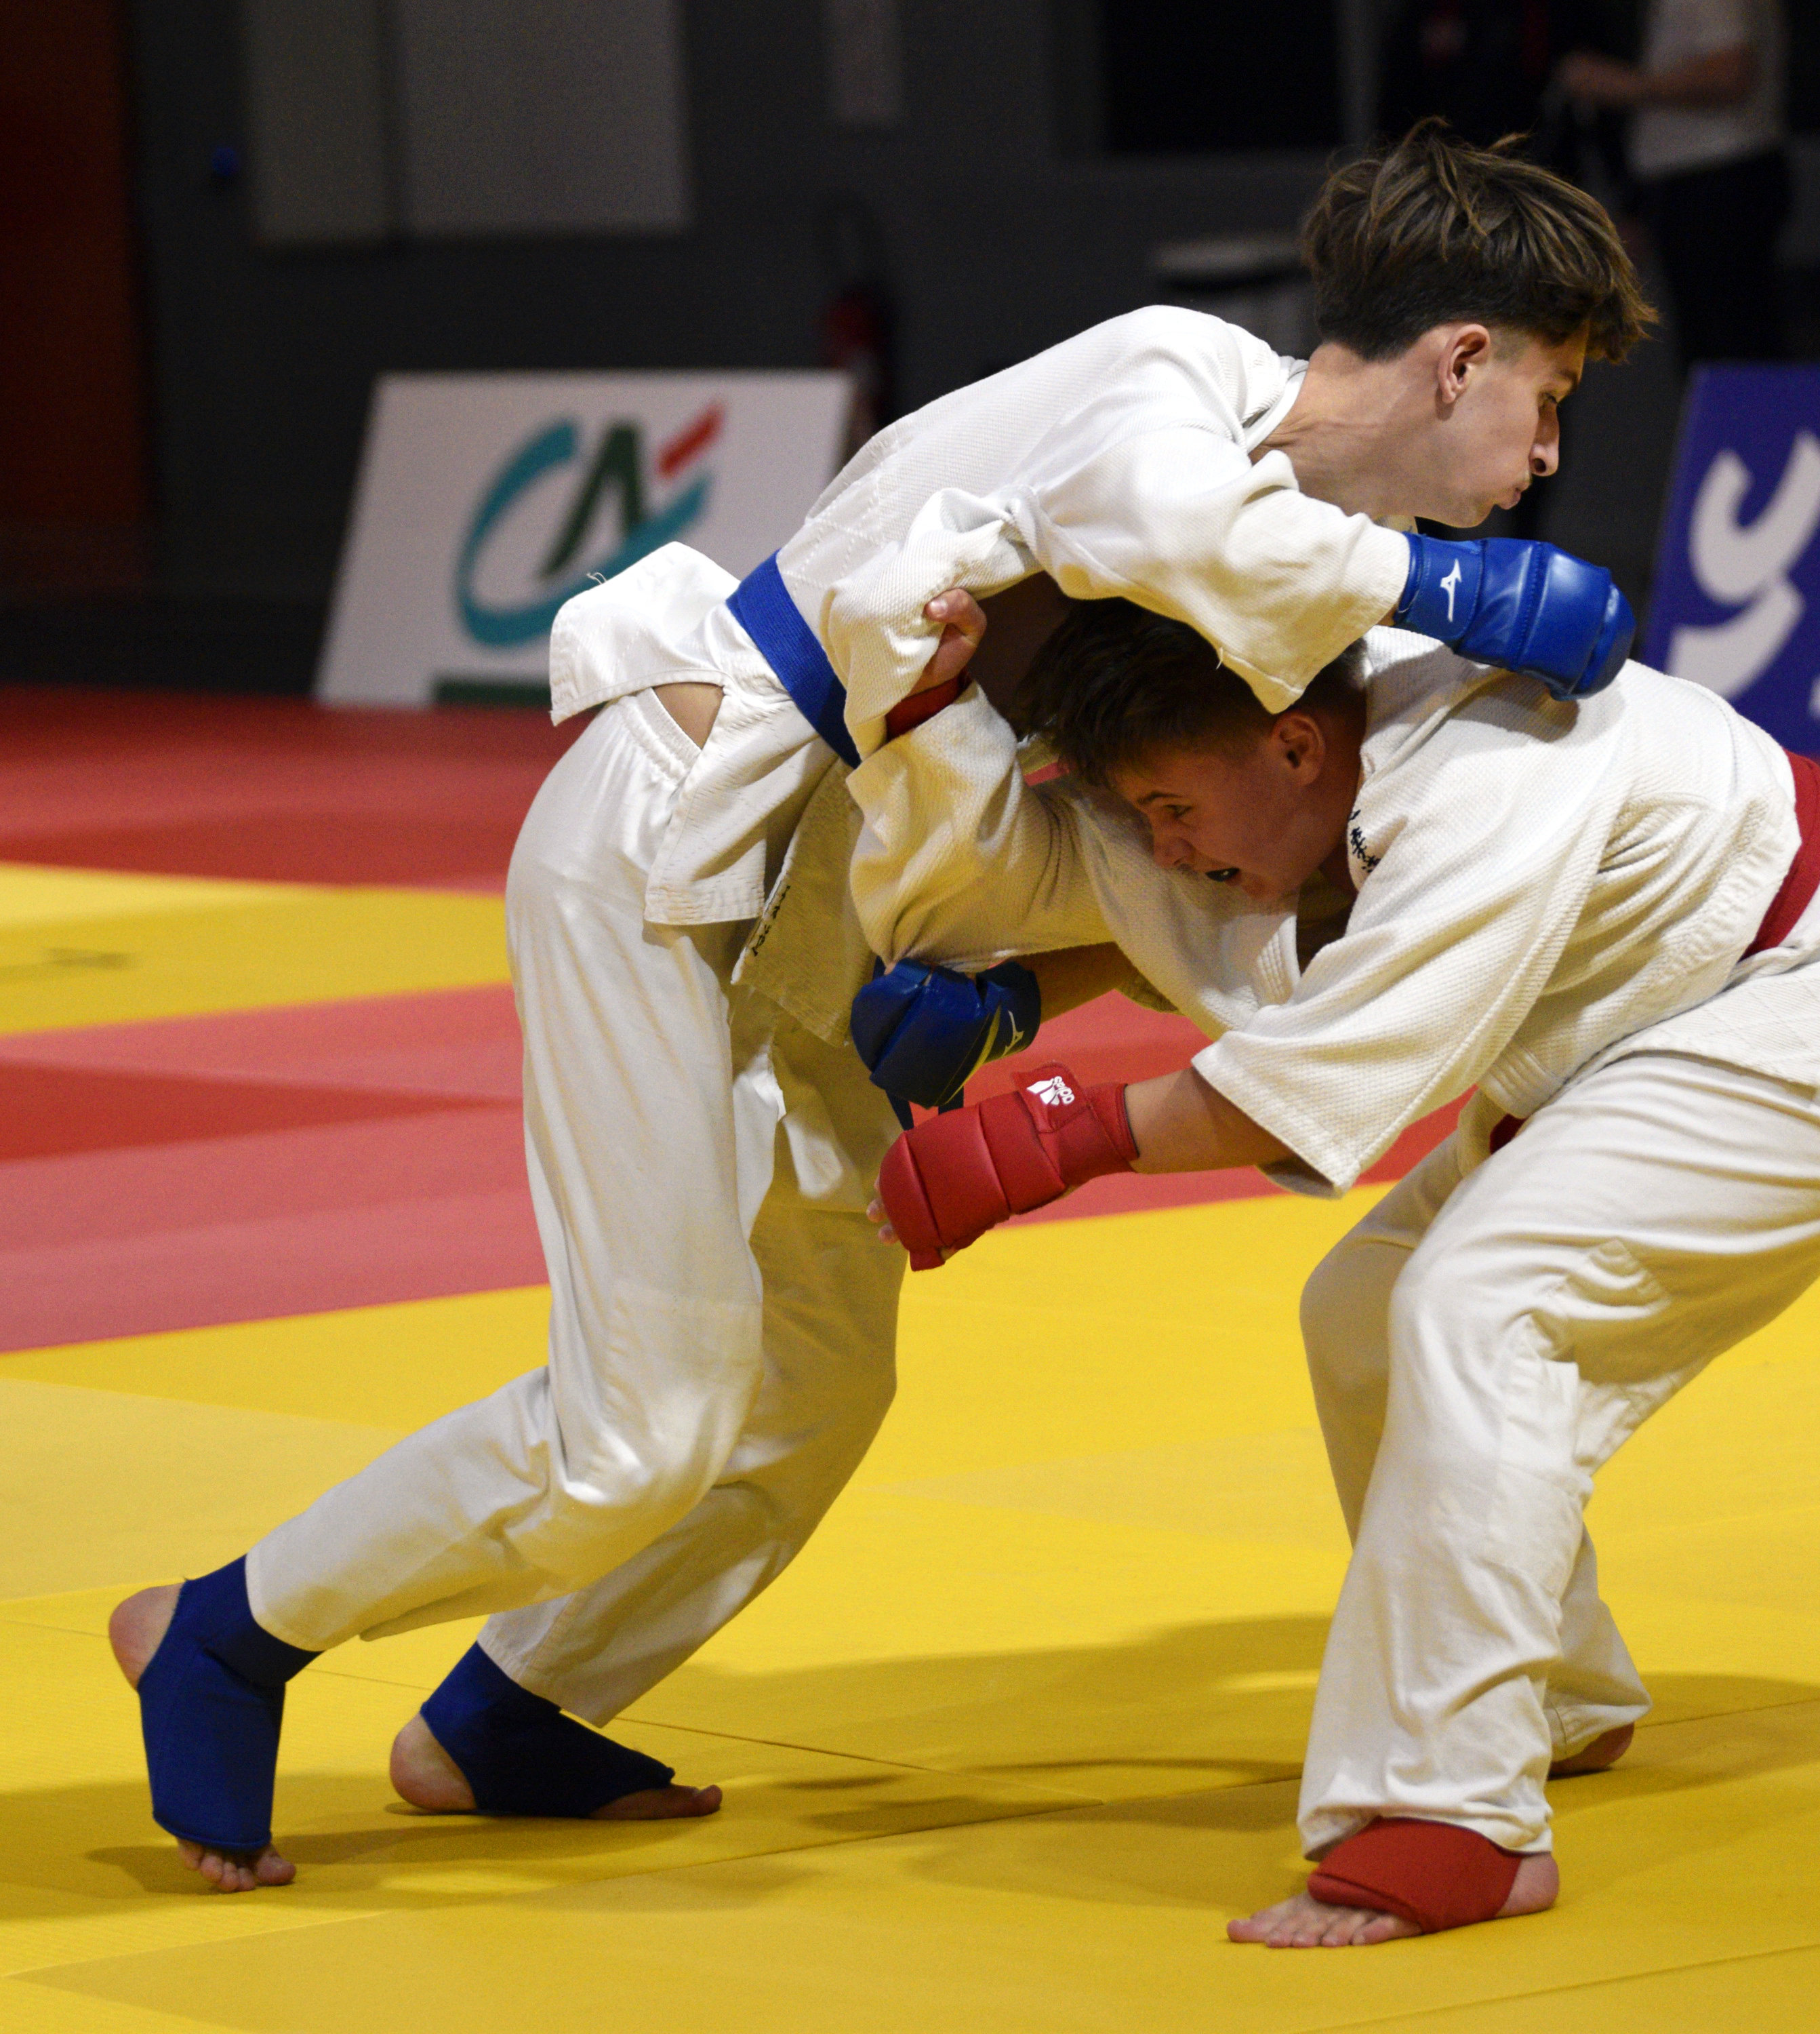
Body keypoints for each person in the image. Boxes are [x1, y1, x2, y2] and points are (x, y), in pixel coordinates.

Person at [110, 122, 1655, 1895]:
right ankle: (224, 1631)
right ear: (1457, 357)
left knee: (810, 1397)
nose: (1543, 458)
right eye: (1541, 401)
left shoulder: (1295, 548)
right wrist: (1446, 589)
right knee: (646, 1429)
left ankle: (510, 1712)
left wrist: (1013, 1000)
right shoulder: (1175, 388)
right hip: (668, 863)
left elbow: (1144, 838)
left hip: (825, 929)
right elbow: (1133, 523)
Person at [862, 597, 1820, 1944]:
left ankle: (1454, 1815)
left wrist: (1051, 1139)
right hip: (1635, 1038)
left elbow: (1310, 1085)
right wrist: (955, 795)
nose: (1165, 844)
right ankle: (1551, 1692)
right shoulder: (1308, 727)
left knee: (1480, 1309)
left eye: (1173, 806)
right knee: (1361, 1312)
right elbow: (1154, 907)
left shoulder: (1481, 775)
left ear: (1292, 751)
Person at [1559, 0, 1789, 367]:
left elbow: (1732, 72)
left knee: (1728, 346)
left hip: (1718, 175)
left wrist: (1623, 84)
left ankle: (1737, 423)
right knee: (1712, 341)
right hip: (1700, 177)